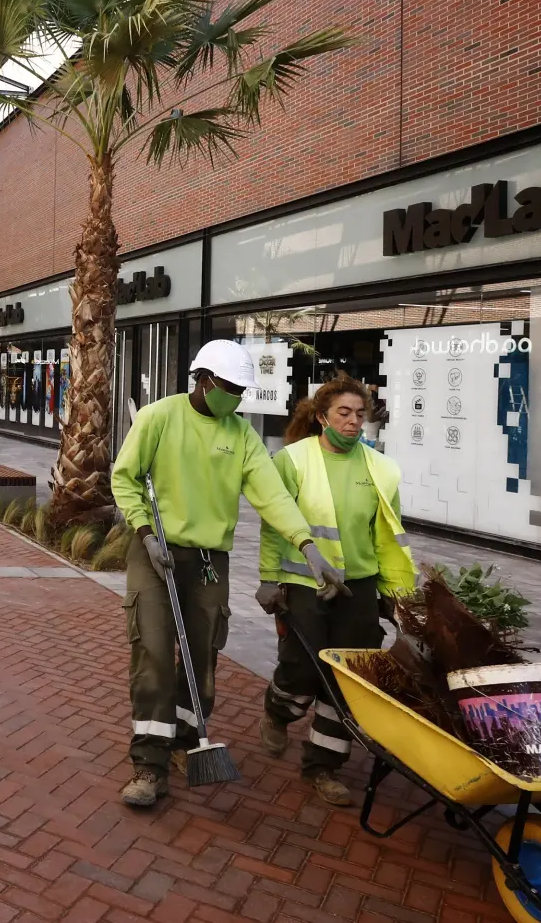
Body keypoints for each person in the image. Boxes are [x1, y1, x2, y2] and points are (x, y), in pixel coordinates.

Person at [108, 339, 342, 807]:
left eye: (240, 391)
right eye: (229, 388)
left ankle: (185, 743)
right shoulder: (158, 418)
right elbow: (124, 477)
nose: (235, 397)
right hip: (154, 552)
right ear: (204, 380)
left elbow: (271, 495)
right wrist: (145, 533)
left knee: (202, 657)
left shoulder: (241, 435)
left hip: (209, 563)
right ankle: (148, 764)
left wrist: (307, 544)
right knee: (153, 653)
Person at [258, 376, 417, 805]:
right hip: (304, 582)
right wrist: (269, 578)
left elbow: (388, 535)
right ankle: (278, 710)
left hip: (358, 587)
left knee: (347, 677)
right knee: (302, 667)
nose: (353, 422)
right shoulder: (292, 459)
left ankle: (322, 766)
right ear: (322, 416)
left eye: (359, 414)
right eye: (343, 413)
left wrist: (395, 594)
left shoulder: (379, 468)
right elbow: (275, 523)